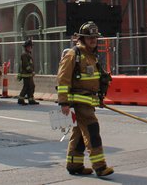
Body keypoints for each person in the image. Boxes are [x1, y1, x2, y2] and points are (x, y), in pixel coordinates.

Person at [56, 21, 113, 177]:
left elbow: (96, 80)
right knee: (92, 131)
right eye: (89, 38)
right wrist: (64, 102)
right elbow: (63, 79)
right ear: (82, 38)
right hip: (79, 103)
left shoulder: (91, 57)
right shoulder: (73, 54)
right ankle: (100, 166)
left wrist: (100, 97)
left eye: (95, 37)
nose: (93, 40)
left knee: (80, 133)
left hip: (88, 102)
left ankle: (74, 164)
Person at [17, 39, 38, 105]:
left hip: (29, 74)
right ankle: (21, 99)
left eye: (30, 46)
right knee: (26, 87)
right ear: (26, 47)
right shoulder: (24, 54)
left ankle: (31, 99)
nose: (30, 48)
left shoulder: (28, 54)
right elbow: (26, 65)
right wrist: (31, 71)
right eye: (28, 46)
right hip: (26, 74)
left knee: (31, 86)